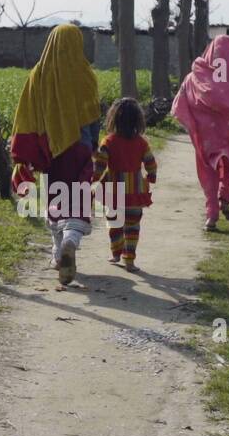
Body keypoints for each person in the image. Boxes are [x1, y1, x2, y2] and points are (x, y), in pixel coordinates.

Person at [10, 24, 102, 285]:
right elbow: (94, 115)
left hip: (52, 152)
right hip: (80, 149)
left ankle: (56, 251)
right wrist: (93, 146)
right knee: (78, 197)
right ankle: (71, 242)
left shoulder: (37, 76)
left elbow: (25, 117)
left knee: (55, 199)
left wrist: (25, 154)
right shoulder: (84, 75)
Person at [172, 35, 229, 231]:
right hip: (227, 130)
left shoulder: (195, 75)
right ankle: (224, 197)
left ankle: (211, 216)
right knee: (226, 164)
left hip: (204, 134)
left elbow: (181, 101)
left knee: (207, 170)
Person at [93, 98, 158, 273]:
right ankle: (129, 260)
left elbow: (100, 164)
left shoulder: (108, 141)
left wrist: (93, 179)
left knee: (114, 223)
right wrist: (152, 175)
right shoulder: (142, 142)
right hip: (135, 190)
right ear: (138, 119)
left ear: (113, 118)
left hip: (114, 190)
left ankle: (116, 253)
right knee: (132, 226)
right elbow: (150, 162)